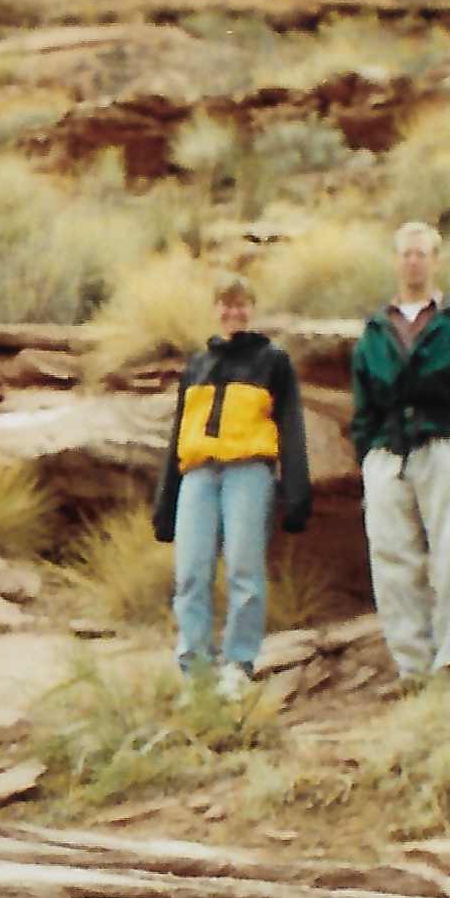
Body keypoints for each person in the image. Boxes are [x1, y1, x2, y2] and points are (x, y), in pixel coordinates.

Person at [351, 220, 450, 685]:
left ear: (434, 260)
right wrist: (369, 453)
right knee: (393, 561)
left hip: (446, 445)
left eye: (421, 253)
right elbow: (363, 400)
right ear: (396, 261)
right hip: (388, 454)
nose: (413, 261)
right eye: (406, 253)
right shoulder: (376, 329)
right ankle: (412, 668)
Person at [151, 274, 311, 698]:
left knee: (243, 570)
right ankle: (196, 673)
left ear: (253, 308)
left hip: (249, 473)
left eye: (242, 304)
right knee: (190, 575)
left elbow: (292, 427)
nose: (233, 312)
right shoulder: (197, 365)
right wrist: (165, 503)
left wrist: (296, 494)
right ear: (215, 309)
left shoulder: (272, 361)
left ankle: (238, 665)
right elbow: (177, 437)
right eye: (225, 303)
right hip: (198, 475)